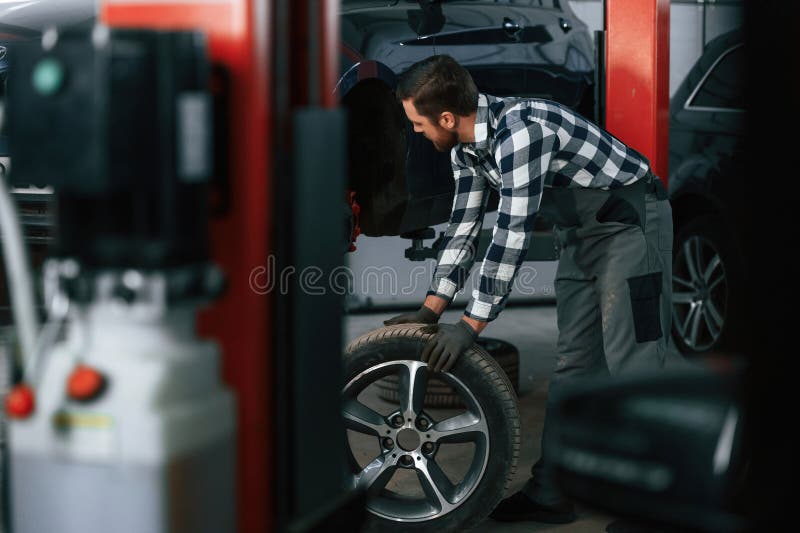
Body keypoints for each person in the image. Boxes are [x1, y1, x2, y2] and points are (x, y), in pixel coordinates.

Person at [383, 54, 673, 529]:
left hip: (630, 225)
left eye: (417, 122)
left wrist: (472, 325)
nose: (415, 131)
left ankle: (657, 507)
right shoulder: (467, 149)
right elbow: (463, 231)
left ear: (448, 117)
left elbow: (510, 235)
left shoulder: (522, 133)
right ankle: (553, 492)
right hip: (580, 234)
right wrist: (431, 309)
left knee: (633, 363)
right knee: (574, 364)